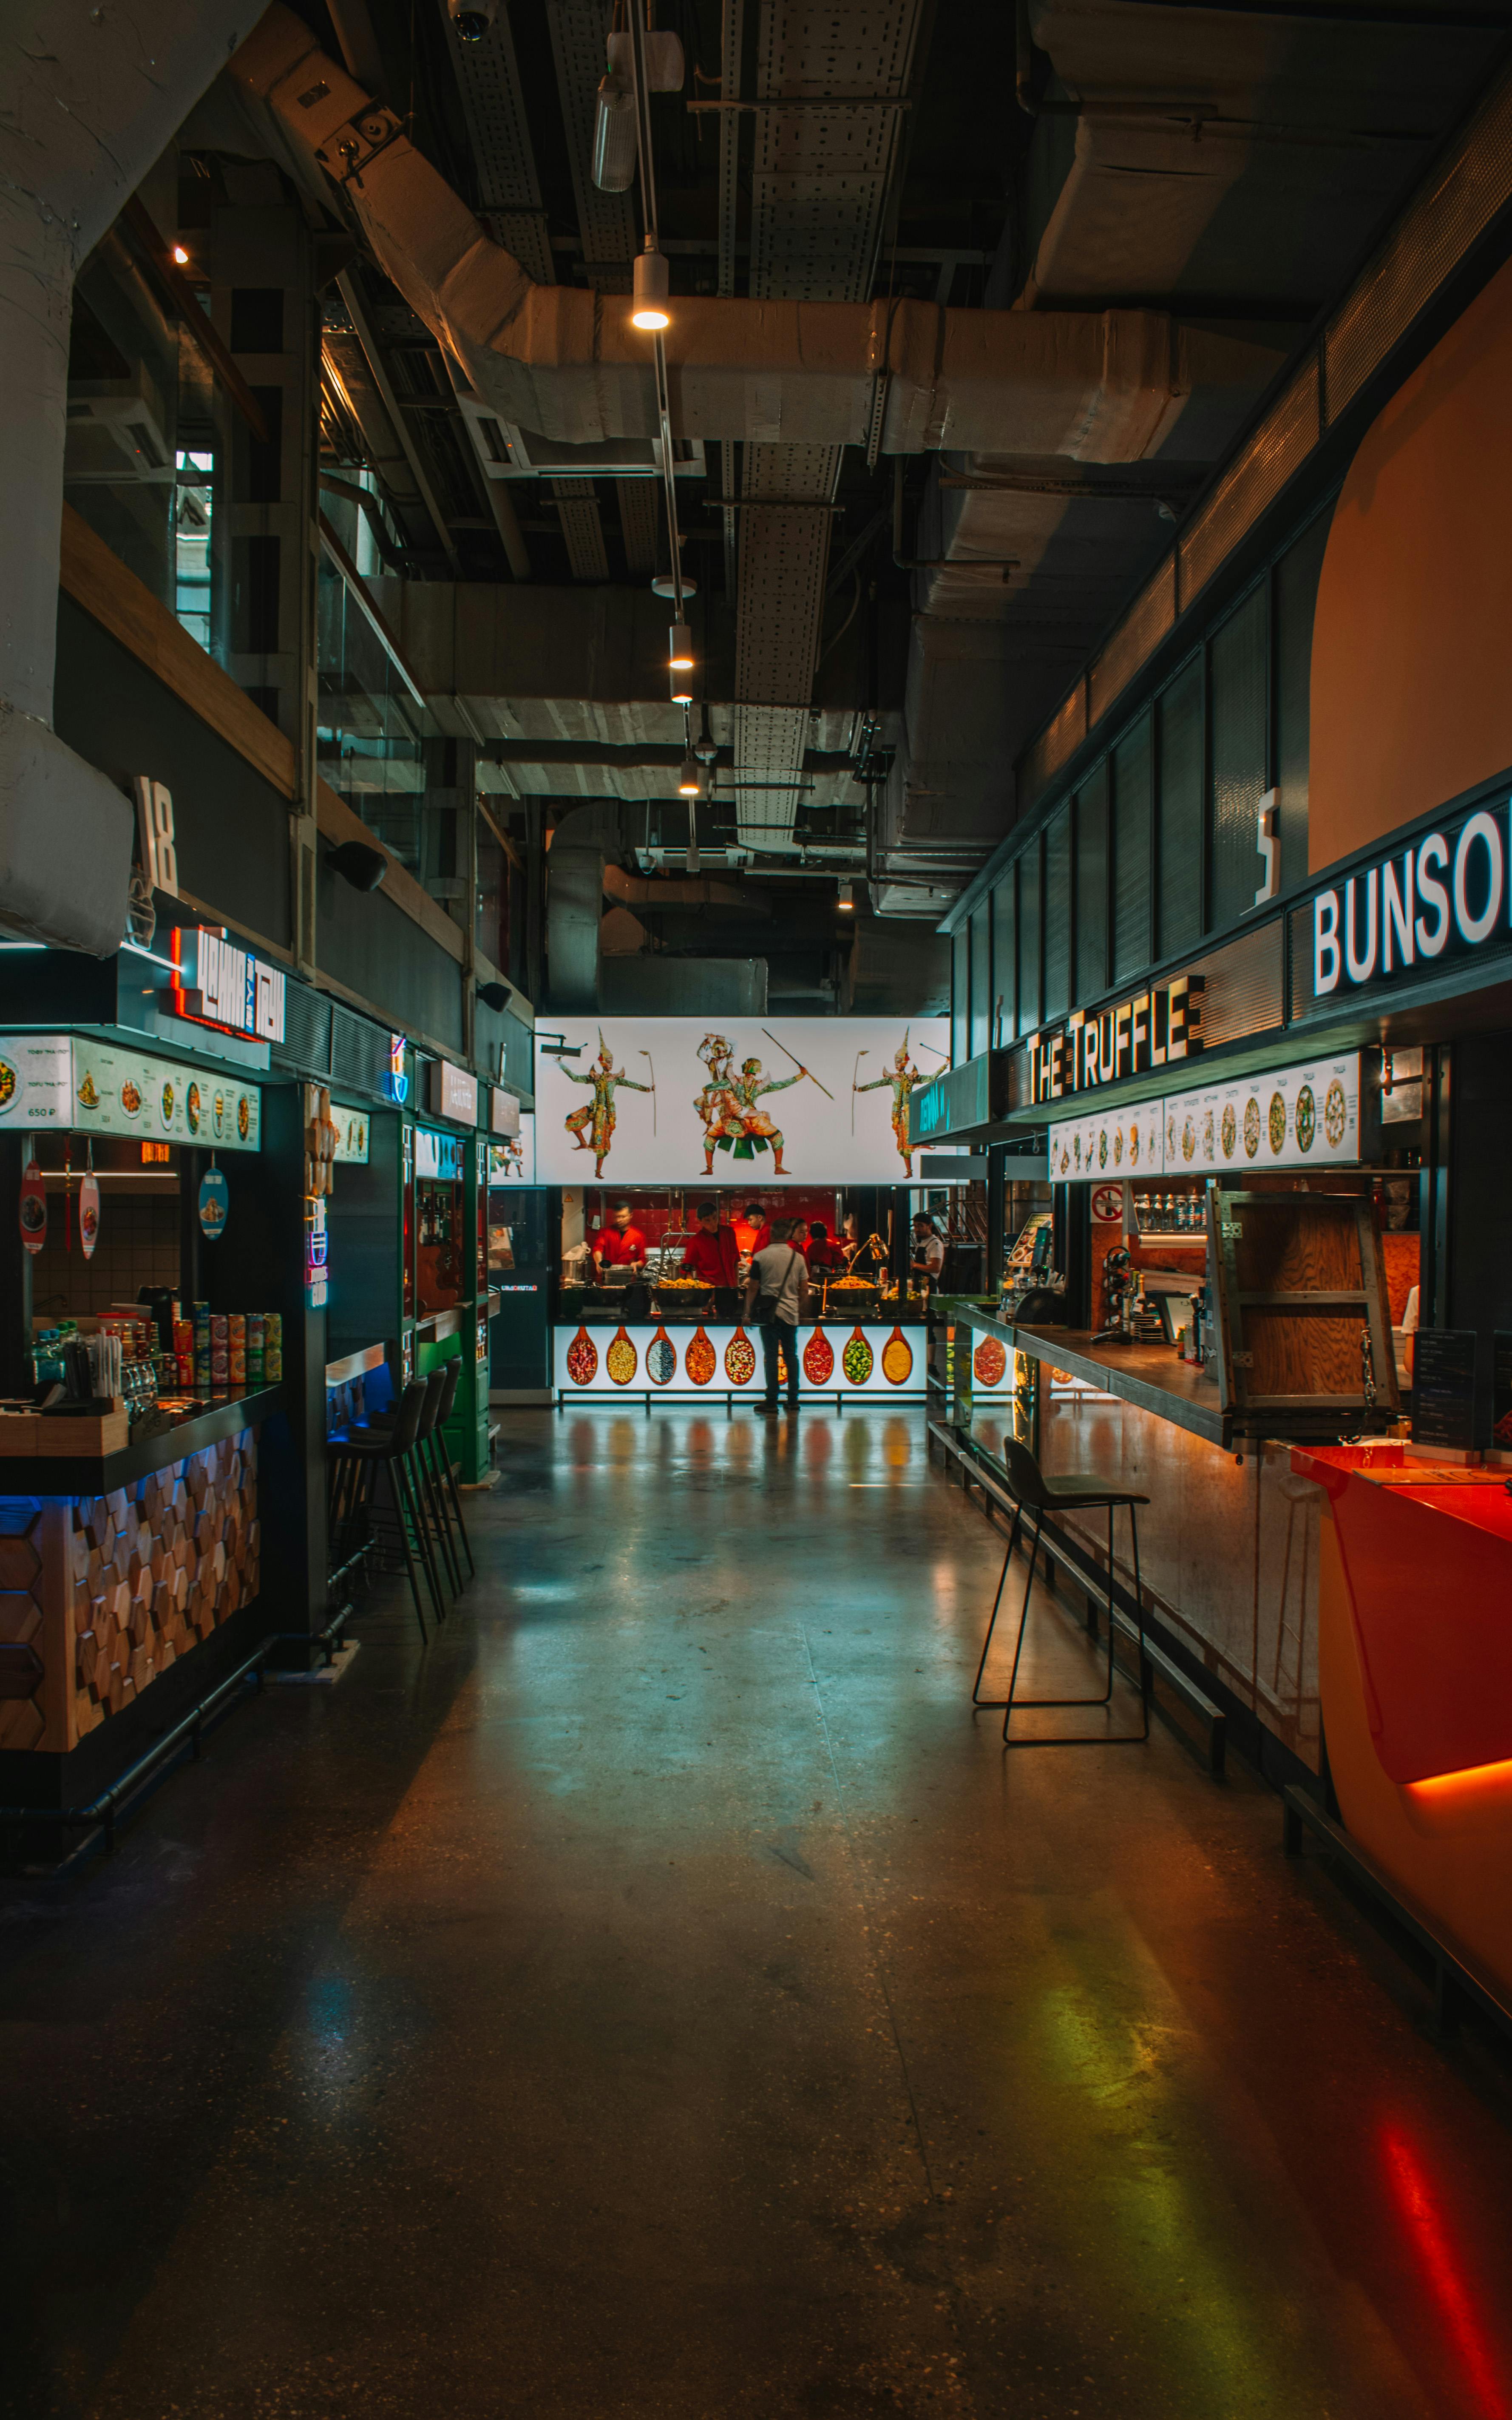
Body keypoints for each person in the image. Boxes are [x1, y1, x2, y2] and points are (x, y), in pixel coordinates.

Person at [745, 1216, 811, 1415]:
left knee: (772, 1356)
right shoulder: (798, 1258)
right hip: (791, 1313)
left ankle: (771, 1401)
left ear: (772, 1234)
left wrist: (747, 1313)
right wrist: (800, 1309)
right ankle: (793, 1400)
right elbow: (805, 1289)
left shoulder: (760, 1257)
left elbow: (753, 1287)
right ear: (789, 1235)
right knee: (792, 1356)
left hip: (769, 1315)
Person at [680, 1198, 741, 1318]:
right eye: (708, 1221)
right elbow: (686, 1272)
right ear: (700, 1221)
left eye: (715, 1218)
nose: (713, 1223)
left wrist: (736, 1287)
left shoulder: (730, 1233)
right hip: (710, 1295)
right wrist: (699, 1296)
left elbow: (736, 1262)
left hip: (730, 1291)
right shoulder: (695, 1242)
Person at [589, 1200, 647, 1276]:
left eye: (623, 1217)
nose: (619, 1220)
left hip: (629, 1278)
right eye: (616, 1217)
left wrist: (636, 1264)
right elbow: (598, 1250)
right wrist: (599, 1263)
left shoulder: (639, 1236)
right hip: (608, 1277)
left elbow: (642, 1260)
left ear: (631, 1216)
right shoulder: (605, 1232)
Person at [910, 1213, 945, 1292]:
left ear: (929, 1226)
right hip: (920, 1286)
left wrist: (915, 1265)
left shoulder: (935, 1243)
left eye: (921, 1226)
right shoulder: (921, 1242)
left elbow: (936, 1268)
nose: (917, 1229)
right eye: (915, 1226)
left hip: (930, 1288)